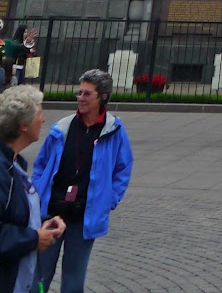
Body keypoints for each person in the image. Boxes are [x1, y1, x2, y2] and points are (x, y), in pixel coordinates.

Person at [32, 70, 133, 293]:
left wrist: (109, 199)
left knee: (73, 281)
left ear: (103, 97)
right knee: (38, 278)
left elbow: (123, 169)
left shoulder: (114, 131)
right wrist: (38, 192)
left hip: (84, 216)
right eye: (79, 93)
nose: (81, 98)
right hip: (51, 212)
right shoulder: (62, 127)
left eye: (87, 94)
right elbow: (41, 165)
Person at [0, 86, 65, 293]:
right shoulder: (2, 169)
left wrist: (42, 220)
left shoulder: (15, 162)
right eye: (40, 113)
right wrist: (34, 238)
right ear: (23, 126)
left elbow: (13, 214)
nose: (43, 119)